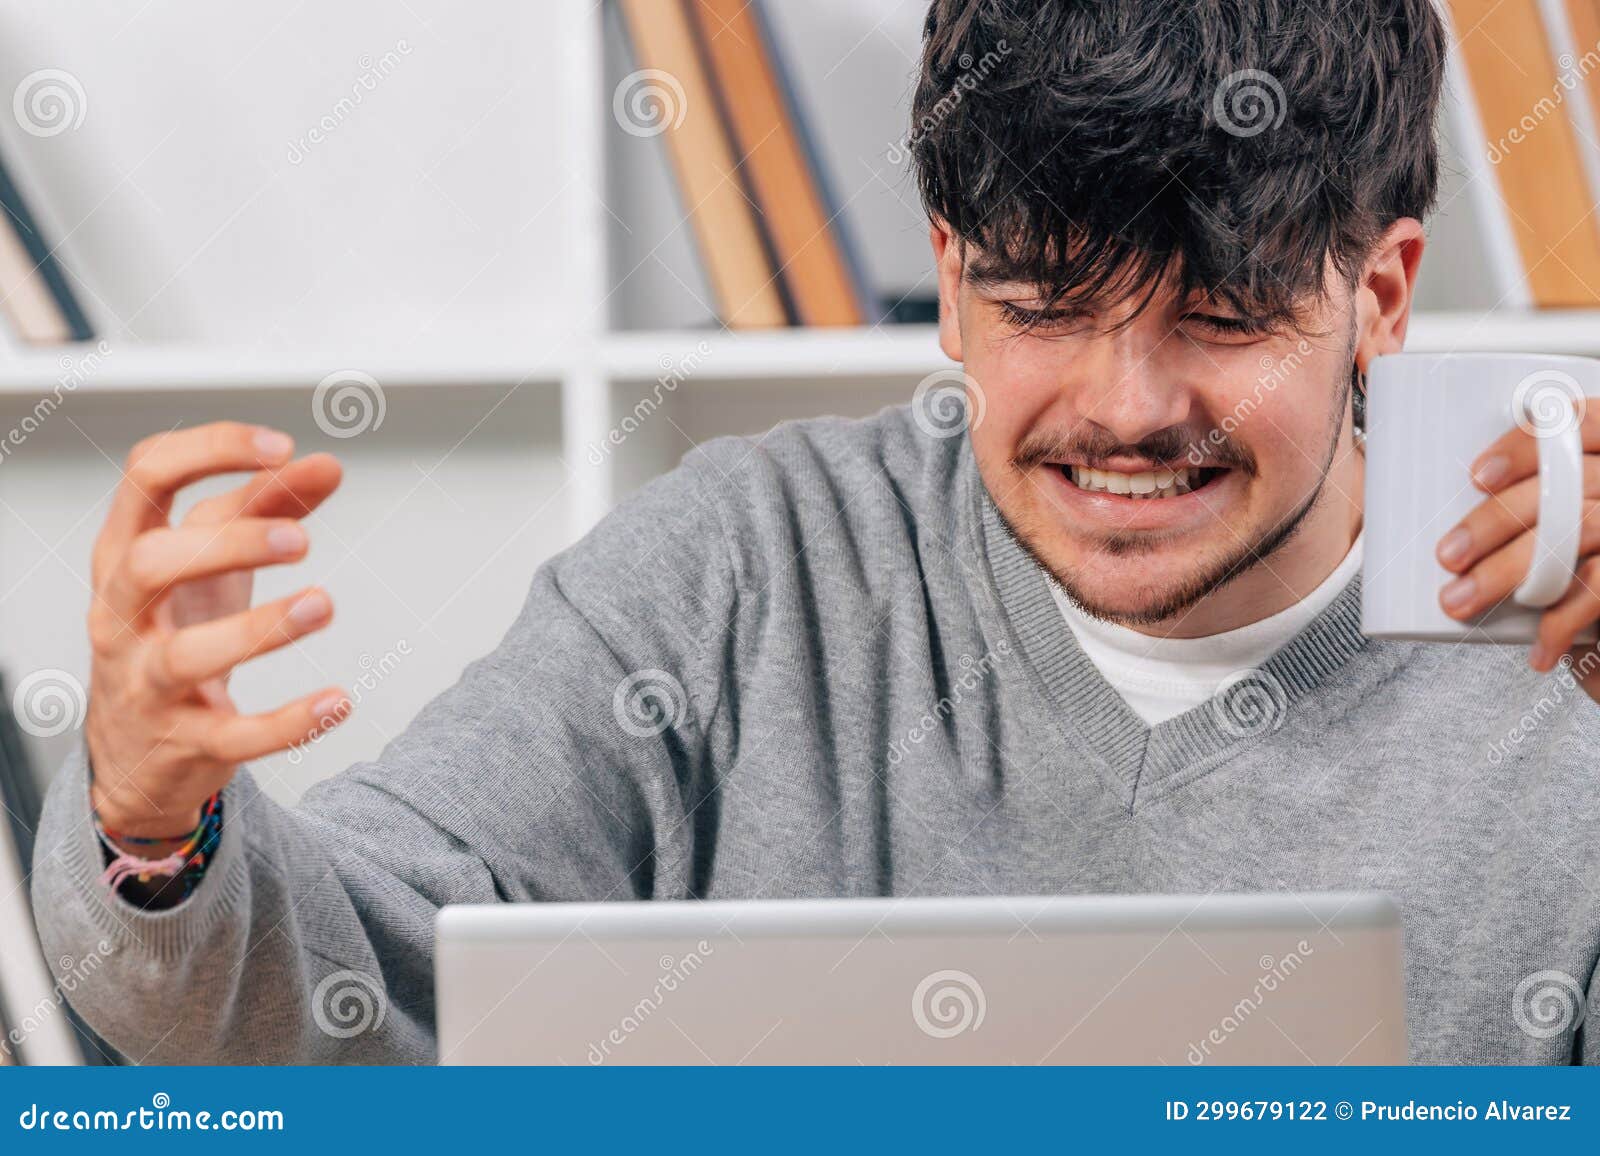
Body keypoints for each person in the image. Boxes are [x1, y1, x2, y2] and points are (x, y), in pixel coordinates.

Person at [32, 0, 1600, 1064]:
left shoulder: (1561, 648)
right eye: (1043, 305)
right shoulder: (741, 570)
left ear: (1379, 295)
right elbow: (371, 991)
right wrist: (155, 833)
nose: (1126, 408)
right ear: (947, 270)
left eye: (1218, 316)